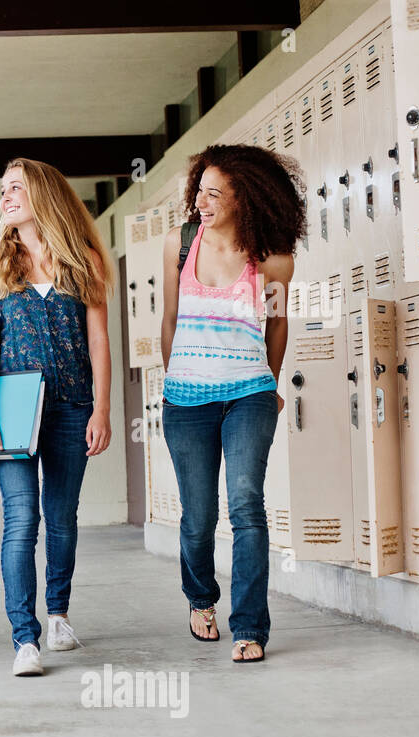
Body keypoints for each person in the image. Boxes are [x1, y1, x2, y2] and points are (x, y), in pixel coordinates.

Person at [160, 144, 305, 663]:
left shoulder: (272, 258)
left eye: (214, 193)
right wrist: (177, 373)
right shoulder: (180, 245)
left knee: (246, 505)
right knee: (198, 517)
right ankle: (201, 599)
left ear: (244, 197)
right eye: (200, 189)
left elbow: (278, 323)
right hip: (187, 400)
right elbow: (170, 320)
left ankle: (250, 627)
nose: (201, 200)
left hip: (248, 394)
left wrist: (270, 382)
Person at [0, 159, 114, 677]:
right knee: (20, 520)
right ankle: (23, 637)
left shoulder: (86, 264)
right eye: (2, 189)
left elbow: (99, 343)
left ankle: (58, 614)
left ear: (43, 196)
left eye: (16, 188)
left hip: (74, 407)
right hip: (12, 411)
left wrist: (102, 407)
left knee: (62, 517)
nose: (6, 197)